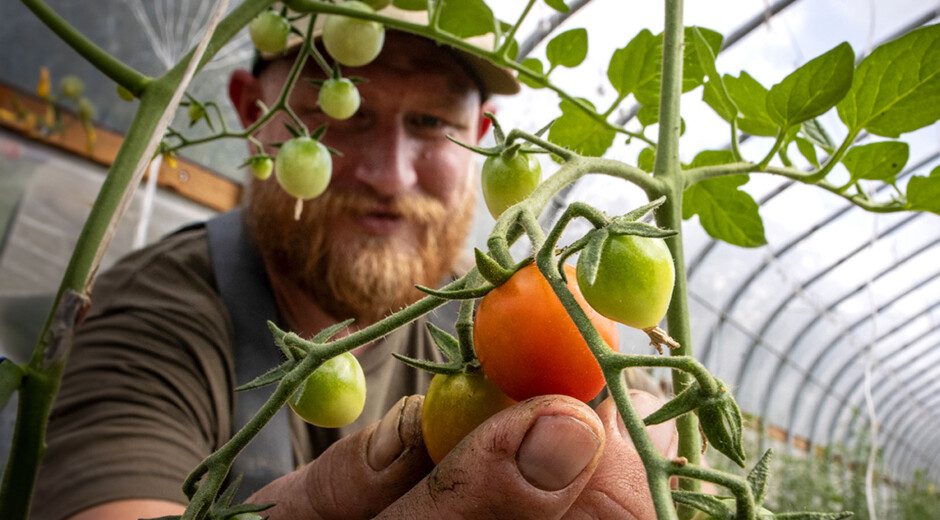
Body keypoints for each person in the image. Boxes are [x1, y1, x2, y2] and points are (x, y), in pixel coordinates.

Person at [32, 8, 676, 520]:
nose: (390, 177)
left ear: (480, 134)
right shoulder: (156, 317)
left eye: (430, 122)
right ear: (255, 112)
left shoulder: (508, 312)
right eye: (342, 116)